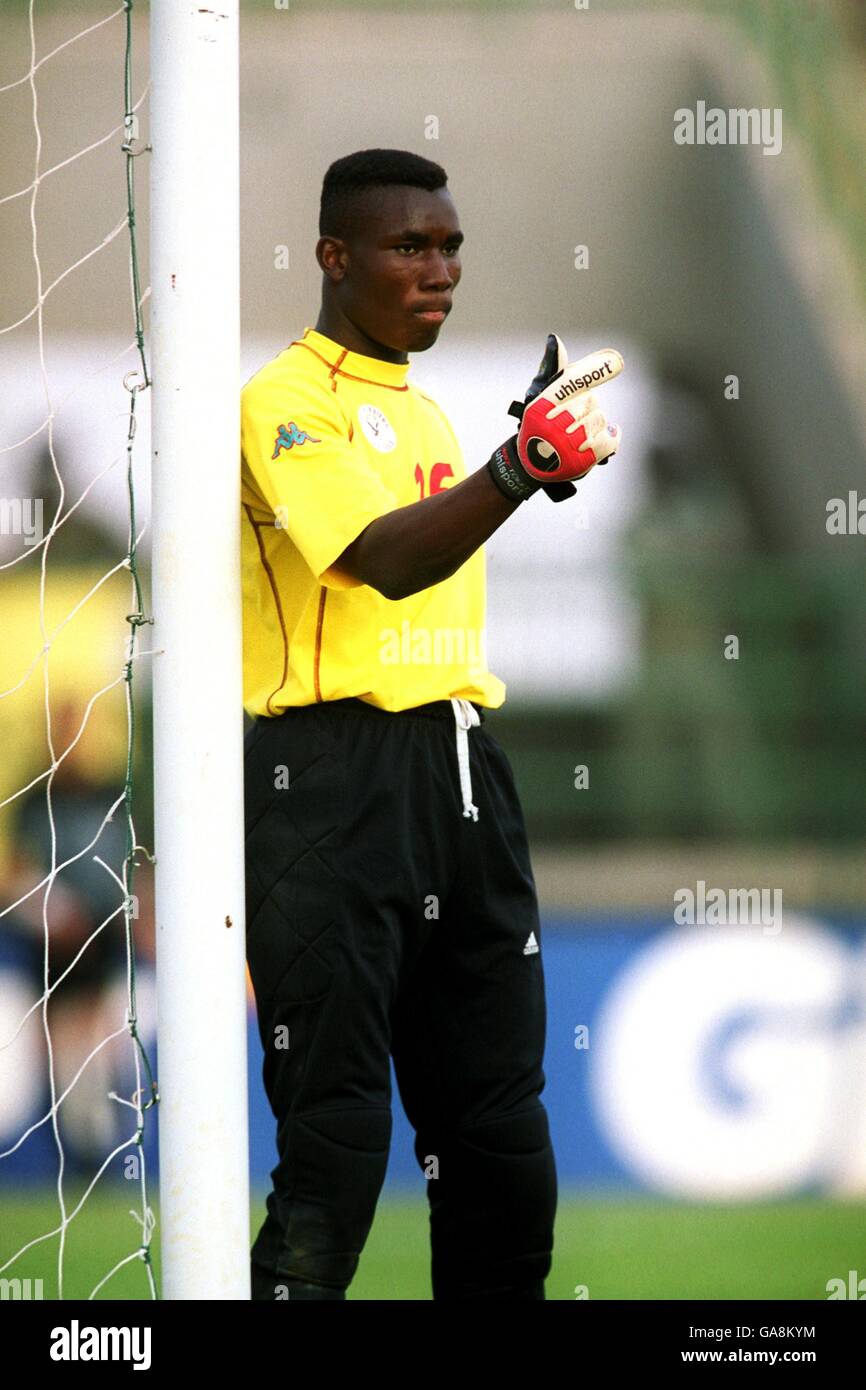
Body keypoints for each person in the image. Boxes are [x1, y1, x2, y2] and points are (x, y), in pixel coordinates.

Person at [240, 148, 620, 1301]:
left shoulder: (429, 412)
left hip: (459, 771)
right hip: (329, 779)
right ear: (333, 256)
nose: (438, 268)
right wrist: (517, 468)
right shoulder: (284, 402)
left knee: (498, 1133)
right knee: (338, 1139)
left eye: (450, 246)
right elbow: (378, 563)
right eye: (410, 246)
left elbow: (443, 534)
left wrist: (515, 468)